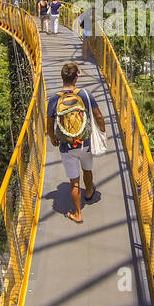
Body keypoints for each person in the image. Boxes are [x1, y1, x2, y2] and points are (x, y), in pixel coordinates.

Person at [47, 62, 106, 224]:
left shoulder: (54, 99)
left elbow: (49, 122)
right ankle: (88, 192)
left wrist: (52, 136)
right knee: (87, 169)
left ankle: (77, 214)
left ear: (62, 77)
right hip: (85, 142)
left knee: (74, 182)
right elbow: (99, 116)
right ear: (76, 77)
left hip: (67, 146)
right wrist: (102, 132)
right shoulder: (85, 94)